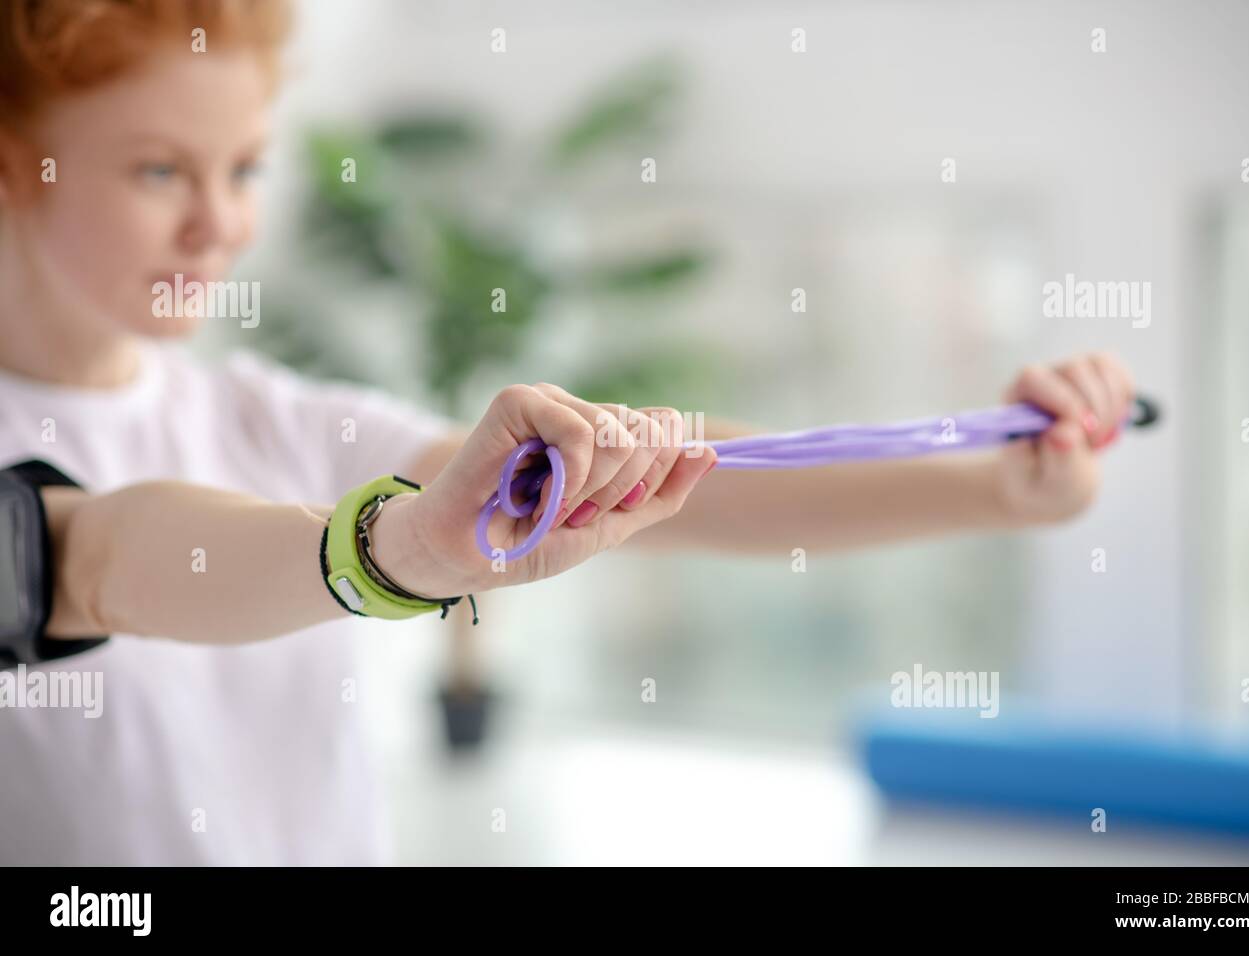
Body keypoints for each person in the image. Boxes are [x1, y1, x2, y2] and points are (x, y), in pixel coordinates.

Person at [0, 0, 1135, 864]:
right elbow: (104, 557)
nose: (221, 223)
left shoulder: (267, 415)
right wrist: (399, 552)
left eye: (244, 167)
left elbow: (701, 488)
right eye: (159, 169)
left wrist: (994, 486)